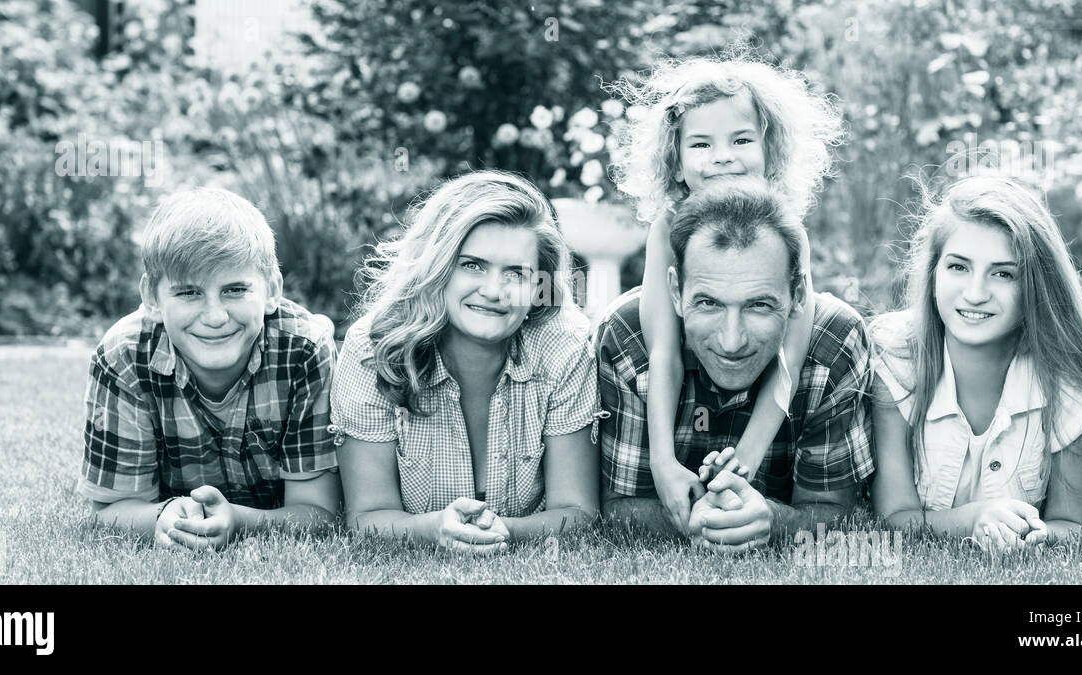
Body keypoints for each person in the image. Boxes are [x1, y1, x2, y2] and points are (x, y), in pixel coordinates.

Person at [608, 51, 844, 532]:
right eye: (701, 144)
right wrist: (662, 462)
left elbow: (789, 358)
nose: (722, 156)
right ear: (674, 163)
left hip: (760, 412)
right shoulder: (667, 228)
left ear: (768, 150)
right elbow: (662, 351)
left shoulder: (786, 229)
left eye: (740, 139)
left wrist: (745, 462)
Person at [597, 177, 873, 552]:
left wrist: (773, 520)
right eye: (708, 304)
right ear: (676, 291)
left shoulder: (834, 343)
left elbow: (836, 510)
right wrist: (706, 516)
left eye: (759, 305)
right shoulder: (628, 340)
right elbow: (617, 508)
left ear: (797, 295)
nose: (732, 342)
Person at [330, 171, 599, 555]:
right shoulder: (373, 350)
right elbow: (366, 515)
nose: (493, 291)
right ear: (437, 266)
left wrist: (503, 530)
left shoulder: (564, 347)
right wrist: (431, 529)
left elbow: (578, 512)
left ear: (540, 285)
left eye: (515, 273)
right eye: (472, 265)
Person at [868, 176, 1082, 554]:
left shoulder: (1073, 390)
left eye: (1003, 273)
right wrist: (975, 519)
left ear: (1035, 287)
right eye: (958, 267)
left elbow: (1073, 524)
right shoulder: (895, 362)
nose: (975, 294)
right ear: (933, 272)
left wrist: (1026, 535)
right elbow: (894, 517)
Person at [78, 187, 341, 551]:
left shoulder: (304, 351)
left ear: (272, 290)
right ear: (152, 298)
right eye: (189, 293)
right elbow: (109, 510)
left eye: (235, 290)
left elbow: (319, 511)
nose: (215, 317)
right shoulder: (122, 358)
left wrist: (239, 520)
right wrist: (163, 516)